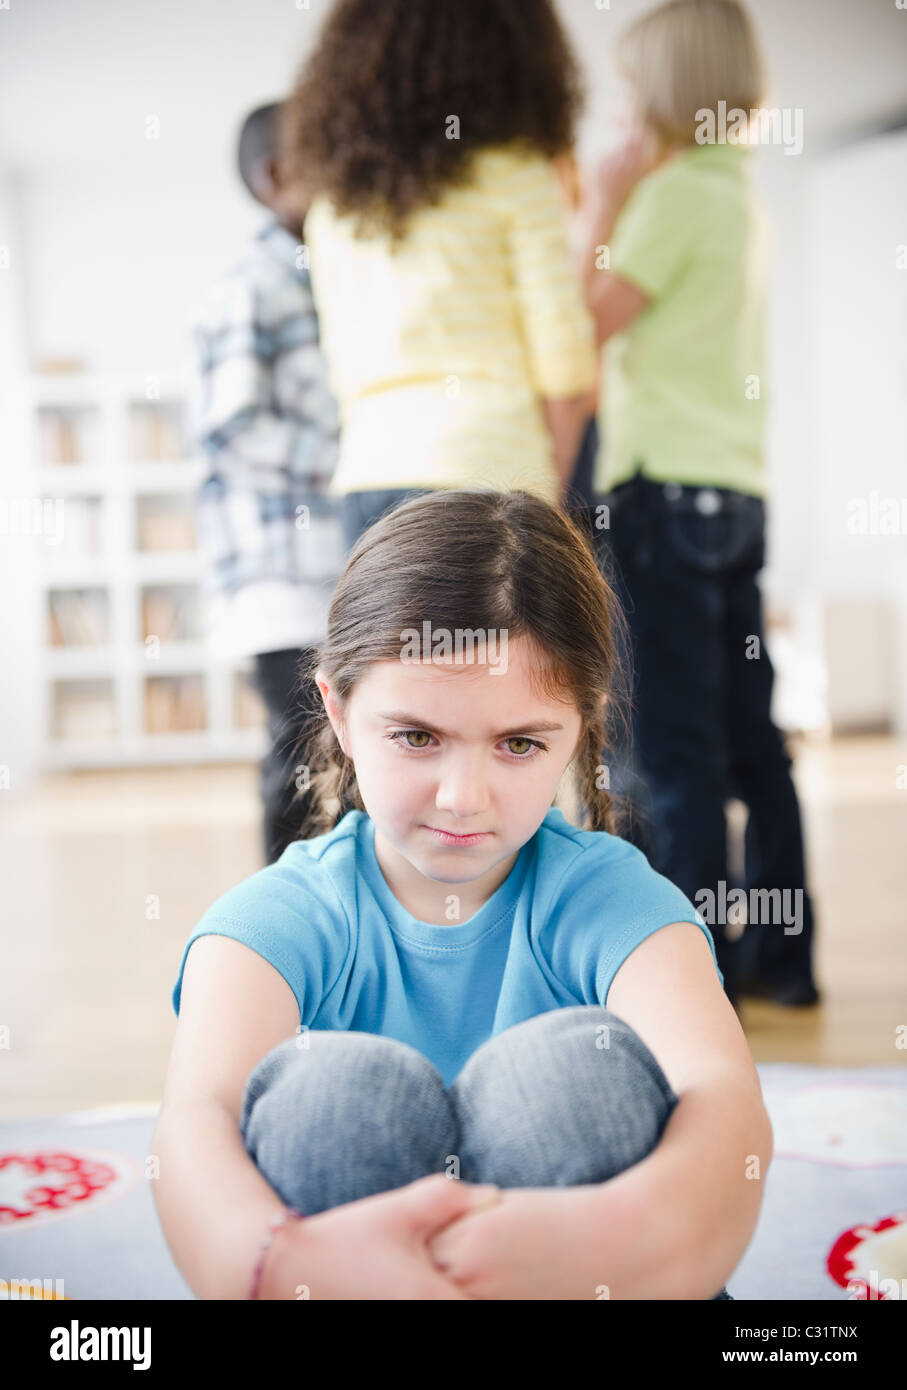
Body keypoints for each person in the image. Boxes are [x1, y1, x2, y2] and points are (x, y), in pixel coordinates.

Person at [153, 489, 772, 1300]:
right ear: (338, 715)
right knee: (327, 1096)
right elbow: (193, 1126)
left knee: (568, 1078)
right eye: (416, 737)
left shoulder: (611, 899)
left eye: (519, 743)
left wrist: (620, 1234)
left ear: (579, 730)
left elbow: (724, 1104)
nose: (461, 797)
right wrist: (282, 1264)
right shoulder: (272, 923)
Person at [575, 0, 820, 1008]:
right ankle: (781, 961)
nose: (625, 109)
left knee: (669, 753)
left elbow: (580, 322)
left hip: (658, 494)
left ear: (670, 91)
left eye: (633, 87)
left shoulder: (671, 196)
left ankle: (691, 982)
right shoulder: (739, 197)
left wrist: (601, 201)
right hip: (734, 495)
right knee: (750, 744)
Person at [278, 0, 598, 550]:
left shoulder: (333, 206)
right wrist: (552, 499)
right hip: (495, 477)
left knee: (395, 643)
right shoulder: (516, 175)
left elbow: (344, 371)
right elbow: (566, 371)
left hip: (372, 477)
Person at [189, 101, 348, 864]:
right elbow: (232, 427)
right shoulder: (249, 287)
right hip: (277, 570)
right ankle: (283, 938)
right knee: (299, 749)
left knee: (345, 749)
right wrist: (349, 454)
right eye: (323, 152)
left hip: (328, 567)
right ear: (275, 176)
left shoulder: (328, 276)